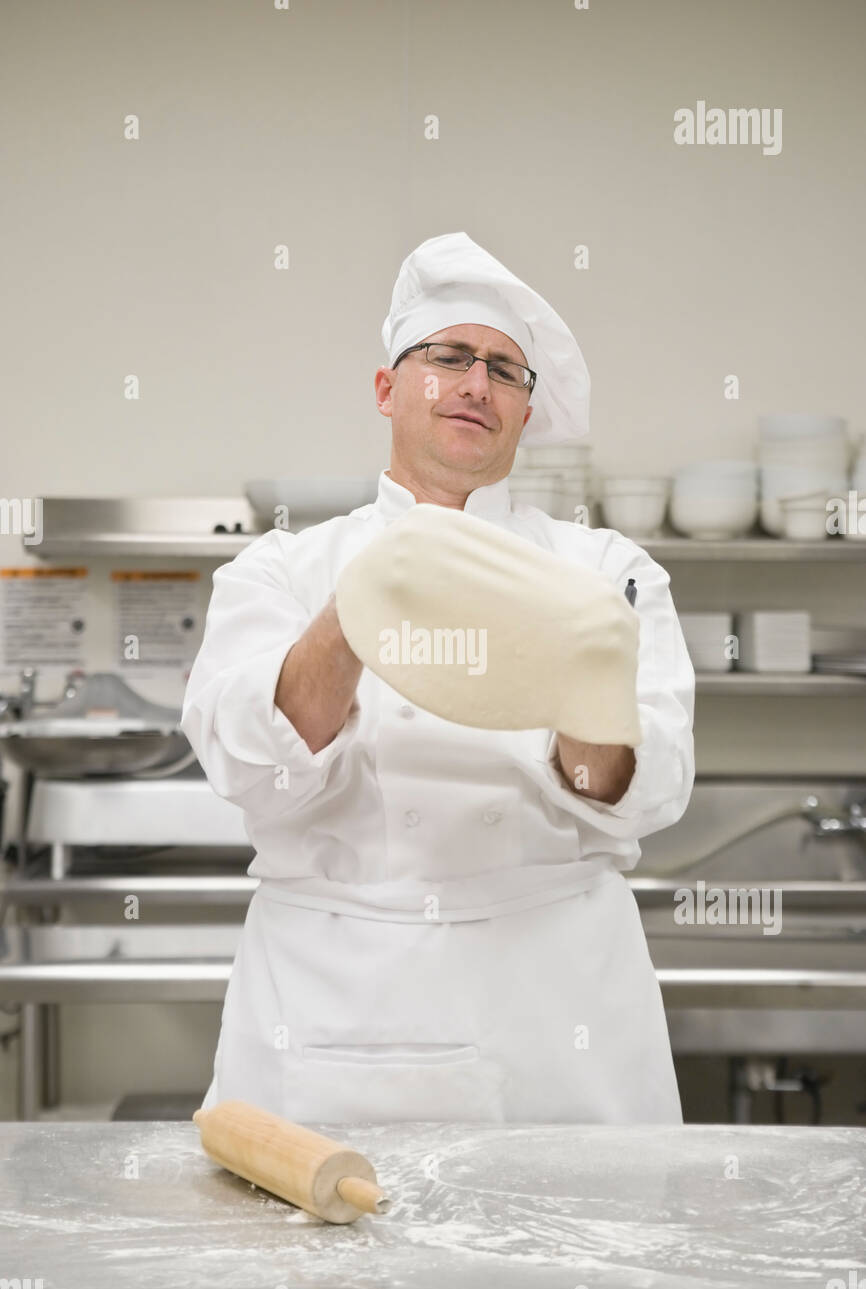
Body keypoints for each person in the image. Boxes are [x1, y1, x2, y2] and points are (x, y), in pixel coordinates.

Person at [181, 231, 695, 1124]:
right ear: (387, 388)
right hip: (336, 1000)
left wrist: (580, 667)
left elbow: (637, 790)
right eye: (449, 356)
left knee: (575, 1257)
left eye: (505, 370)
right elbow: (246, 763)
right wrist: (359, 608)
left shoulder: (607, 572)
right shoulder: (283, 569)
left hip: (556, 1010)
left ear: (524, 414)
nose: (476, 385)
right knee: (318, 1257)